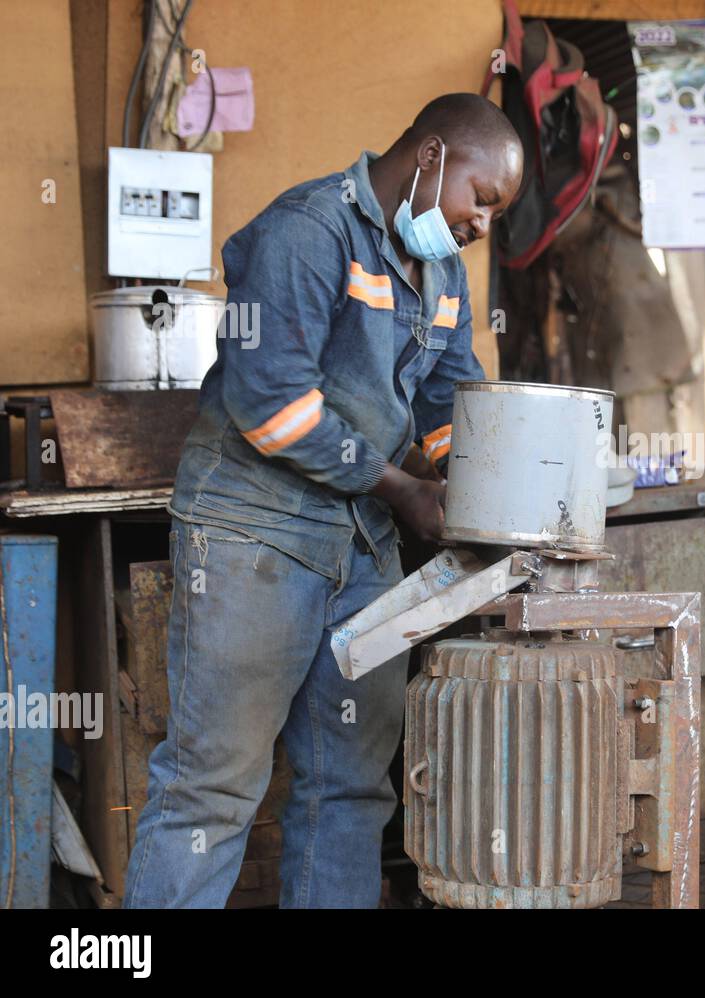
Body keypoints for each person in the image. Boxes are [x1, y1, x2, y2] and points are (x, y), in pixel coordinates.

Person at [124, 93, 524, 908]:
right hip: (253, 534)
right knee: (214, 787)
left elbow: (451, 400)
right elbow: (272, 406)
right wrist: (403, 487)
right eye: (483, 199)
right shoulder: (305, 232)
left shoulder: (442, 270)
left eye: (496, 214)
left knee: (350, 787)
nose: (484, 224)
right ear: (434, 154)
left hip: (360, 546)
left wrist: (474, 491)